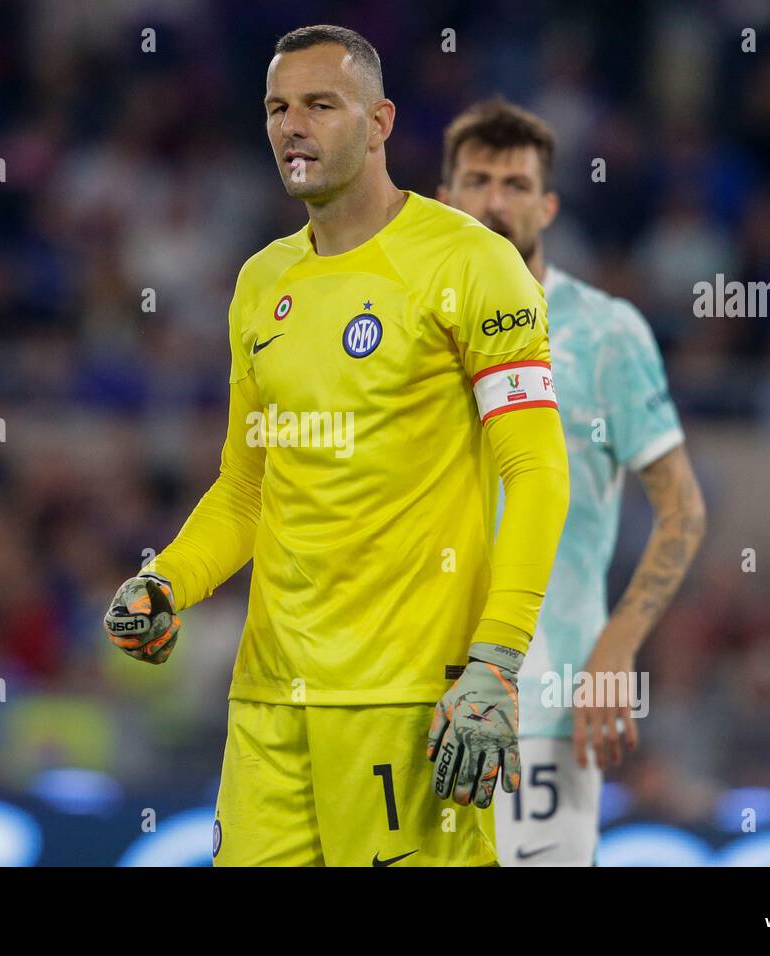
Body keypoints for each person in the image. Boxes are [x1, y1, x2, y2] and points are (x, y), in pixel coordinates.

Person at [105, 27, 569, 866]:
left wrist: (496, 659)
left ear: (380, 120)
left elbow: (536, 471)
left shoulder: (473, 265)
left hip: (408, 700)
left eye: (322, 105)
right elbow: (246, 490)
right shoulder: (259, 283)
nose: (294, 127)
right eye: (278, 108)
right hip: (270, 705)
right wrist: (167, 579)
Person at [438, 98, 707, 866]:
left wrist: (616, 648)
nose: (496, 201)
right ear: (446, 196)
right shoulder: (409, 328)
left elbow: (683, 512)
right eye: (478, 181)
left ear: (548, 203)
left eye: (516, 184)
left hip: (548, 706)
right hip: (410, 691)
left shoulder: (606, 332)